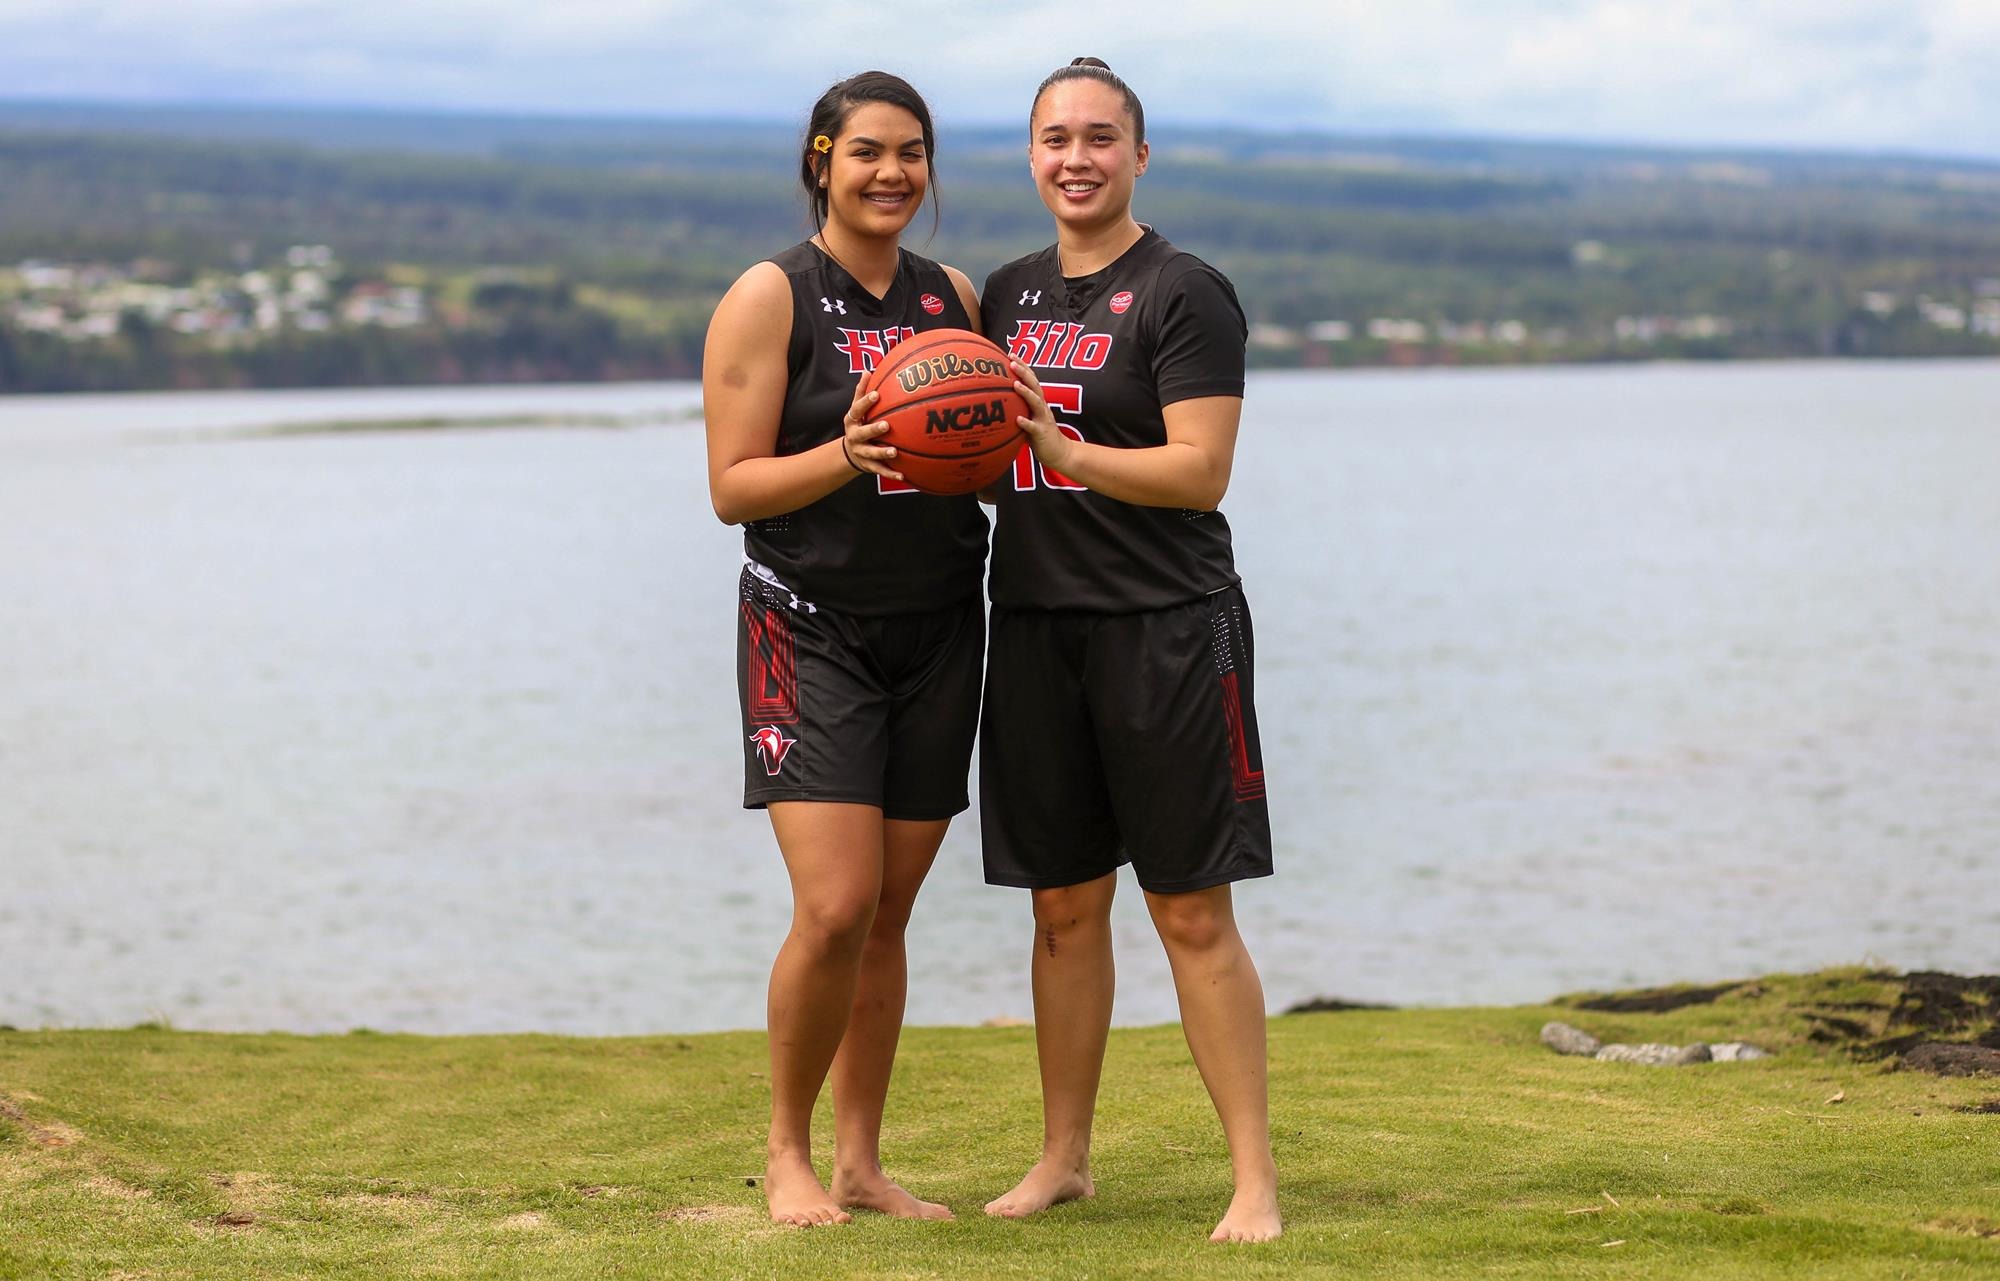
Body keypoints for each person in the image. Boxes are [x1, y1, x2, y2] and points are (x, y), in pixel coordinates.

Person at [977, 58, 1282, 1244]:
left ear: (1138, 155)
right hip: (1038, 627)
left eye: (1100, 138)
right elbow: (961, 435)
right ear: (1032, 154)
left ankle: (1251, 1179)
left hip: (1166, 627)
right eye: (1054, 137)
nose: (1075, 158)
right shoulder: (1001, 294)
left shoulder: (1184, 291)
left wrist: (1061, 447)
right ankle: (1063, 1157)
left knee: (1190, 910)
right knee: (1061, 908)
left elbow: (1198, 471)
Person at [702, 71, 985, 1228]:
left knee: (886, 915)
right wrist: (847, 451)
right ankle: (786, 1153)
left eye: (911, 153)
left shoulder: (951, 295)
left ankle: (862, 1163)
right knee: (832, 906)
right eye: (866, 151)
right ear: (820, 158)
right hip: (807, 625)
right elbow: (731, 487)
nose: (891, 174)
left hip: (937, 627)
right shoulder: (769, 297)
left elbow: (974, 445)